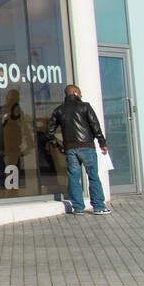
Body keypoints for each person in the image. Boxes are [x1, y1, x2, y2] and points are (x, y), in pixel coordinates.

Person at [47, 85, 111, 215]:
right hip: (87, 146)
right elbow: (95, 126)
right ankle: (98, 207)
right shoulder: (85, 106)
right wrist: (102, 143)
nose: (81, 95)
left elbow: (49, 132)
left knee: (74, 177)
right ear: (75, 93)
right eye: (80, 93)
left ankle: (78, 208)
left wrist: (58, 145)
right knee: (93, 176)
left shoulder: (59, 110)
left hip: (70, 149)